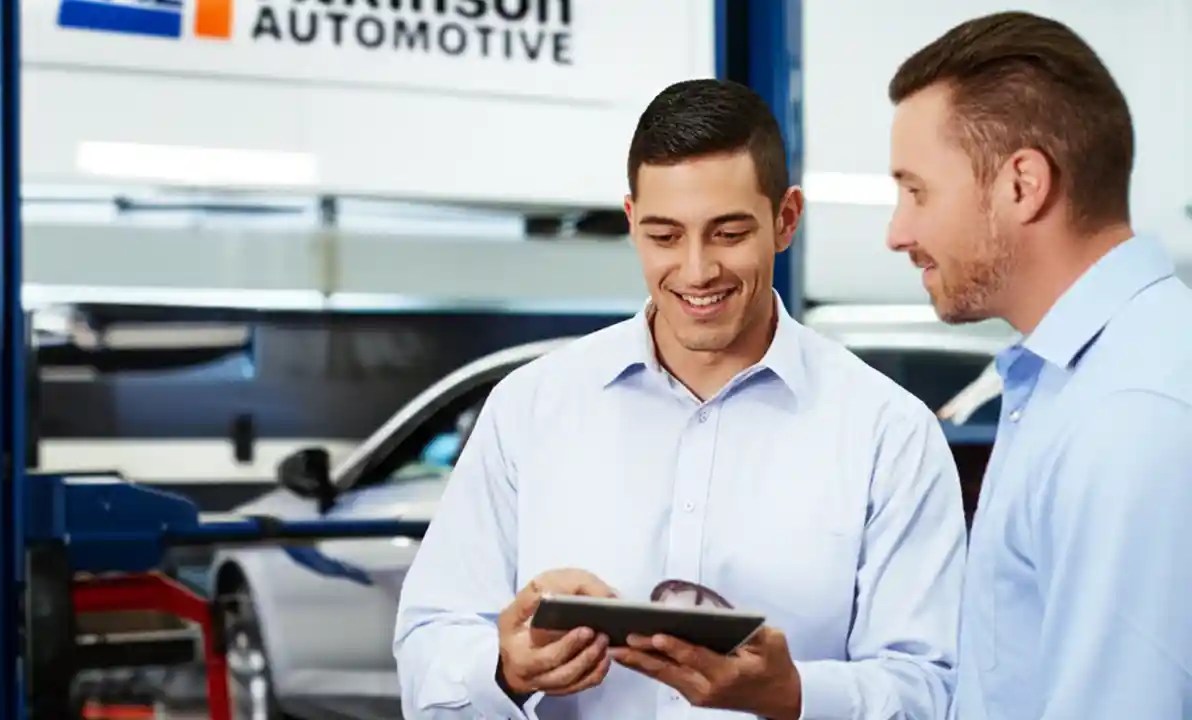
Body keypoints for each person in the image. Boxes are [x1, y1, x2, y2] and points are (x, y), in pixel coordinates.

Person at [394, 78, 967, 719]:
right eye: (665, 236)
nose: (696, 272)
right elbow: (428, 645)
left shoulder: (889, 434)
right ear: (633, 220)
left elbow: (933, 689)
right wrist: (504, 669)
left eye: (727, 234)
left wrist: (794, 695)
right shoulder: (531, 408)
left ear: (785, 219)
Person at [886, 11, 1192, 719]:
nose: (898, 231)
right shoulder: (1081, 378)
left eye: (917, 190)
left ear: (1022, 184)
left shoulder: (1129, 412)